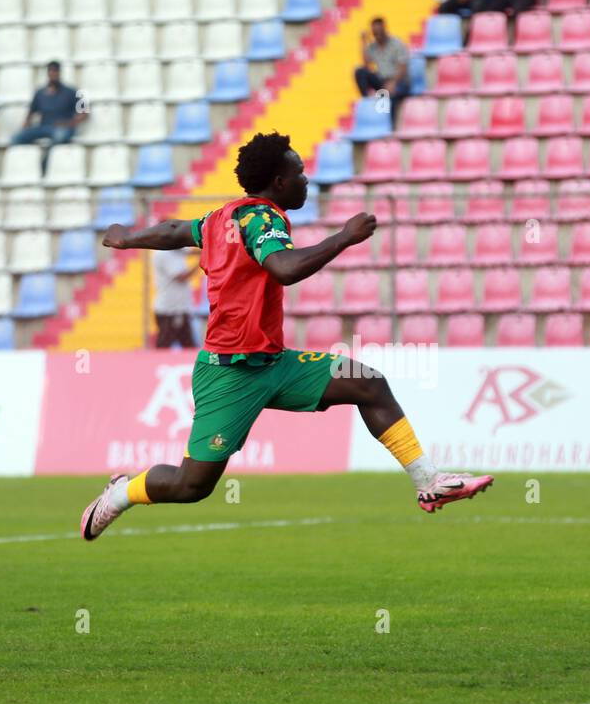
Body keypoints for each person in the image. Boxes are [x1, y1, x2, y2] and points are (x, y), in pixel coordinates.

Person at [79, 131, 494, 539]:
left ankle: (428, 480)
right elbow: (284, 268)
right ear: (278, 182)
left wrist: (128, 238)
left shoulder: (223, 216)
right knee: (192, 486)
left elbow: (175, 230)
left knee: (369, 384)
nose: (306, 179)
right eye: (299, 172)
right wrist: (343, 238)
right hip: (230, 373)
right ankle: (121, 494)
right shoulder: (262, 217)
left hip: (273, 362)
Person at [11, 61, 87, 147]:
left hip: (62, 128)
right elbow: (30, 113)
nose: (53, 73)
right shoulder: (40, 93)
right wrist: (25, 127)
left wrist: (70, 123)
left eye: (55, 71)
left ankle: (46, 158)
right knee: (16, 138)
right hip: (43, 127)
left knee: (60, 137)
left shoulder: (70, 92)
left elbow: (84, 113)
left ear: (59, 72)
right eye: (50, 71)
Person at [354, 17, 410, 125]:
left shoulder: (397, 44)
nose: (377, 35)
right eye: (375, 33)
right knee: (360, 72)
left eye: (379, 32)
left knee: (388, 94)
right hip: (382, 81)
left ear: (385, 29)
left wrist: (393, 83)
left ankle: (389, 126)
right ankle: (366, 100)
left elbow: (403, 67)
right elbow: (366, 64)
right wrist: (363, 43)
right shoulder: (373, 46)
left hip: (399, 81)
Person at [152, 249, 201, 349]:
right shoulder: (163, 254)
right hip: (170, 310)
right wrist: (202, 262)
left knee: (188, 346)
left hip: (181, 309)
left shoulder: (177, 249)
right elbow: (181, 277)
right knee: (164, 347)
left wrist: (209, 248)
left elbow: (192, 251)